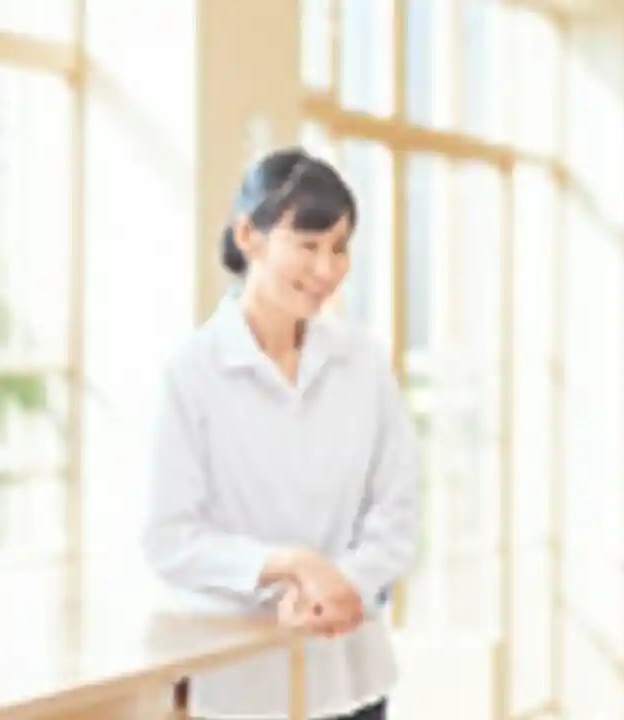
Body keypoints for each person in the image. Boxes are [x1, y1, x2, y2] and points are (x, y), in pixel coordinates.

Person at [142, 148, 419, 720]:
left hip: (352, 680)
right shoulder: (190, 373)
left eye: (339, 248)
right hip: (239, 687)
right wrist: (290, 564)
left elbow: (397, 512)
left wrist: (340, 584)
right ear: (250, 235)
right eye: (309, 244)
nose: (326, 269)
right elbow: (170, 537)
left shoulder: (363, 362)